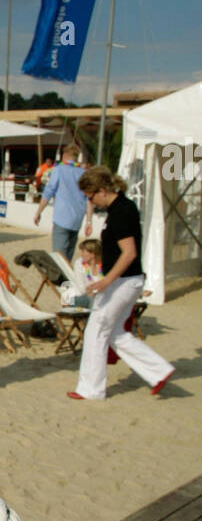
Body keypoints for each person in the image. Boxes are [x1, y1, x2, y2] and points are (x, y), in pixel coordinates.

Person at [67, 167, 175, 401]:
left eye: (91, 196)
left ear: (102, 191)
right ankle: (159, 371)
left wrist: (106, 280)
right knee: (114, 333)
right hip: (127, 280)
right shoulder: (120, 207)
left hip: (124, 281)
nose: (91, 201)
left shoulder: (120, 212)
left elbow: (129, 253)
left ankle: (91, 389)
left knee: (96, 331)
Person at [33, 144, 91, 260]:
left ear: (64, 155)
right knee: (68, 256)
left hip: (62, 217)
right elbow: (89, 199)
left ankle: (61, 278)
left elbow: (49, 192)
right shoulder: (83, 173)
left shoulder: (58, 170)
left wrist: (39, 211)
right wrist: (89, 221)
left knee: (59, 257)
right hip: (77, 219)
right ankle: (66, 277)